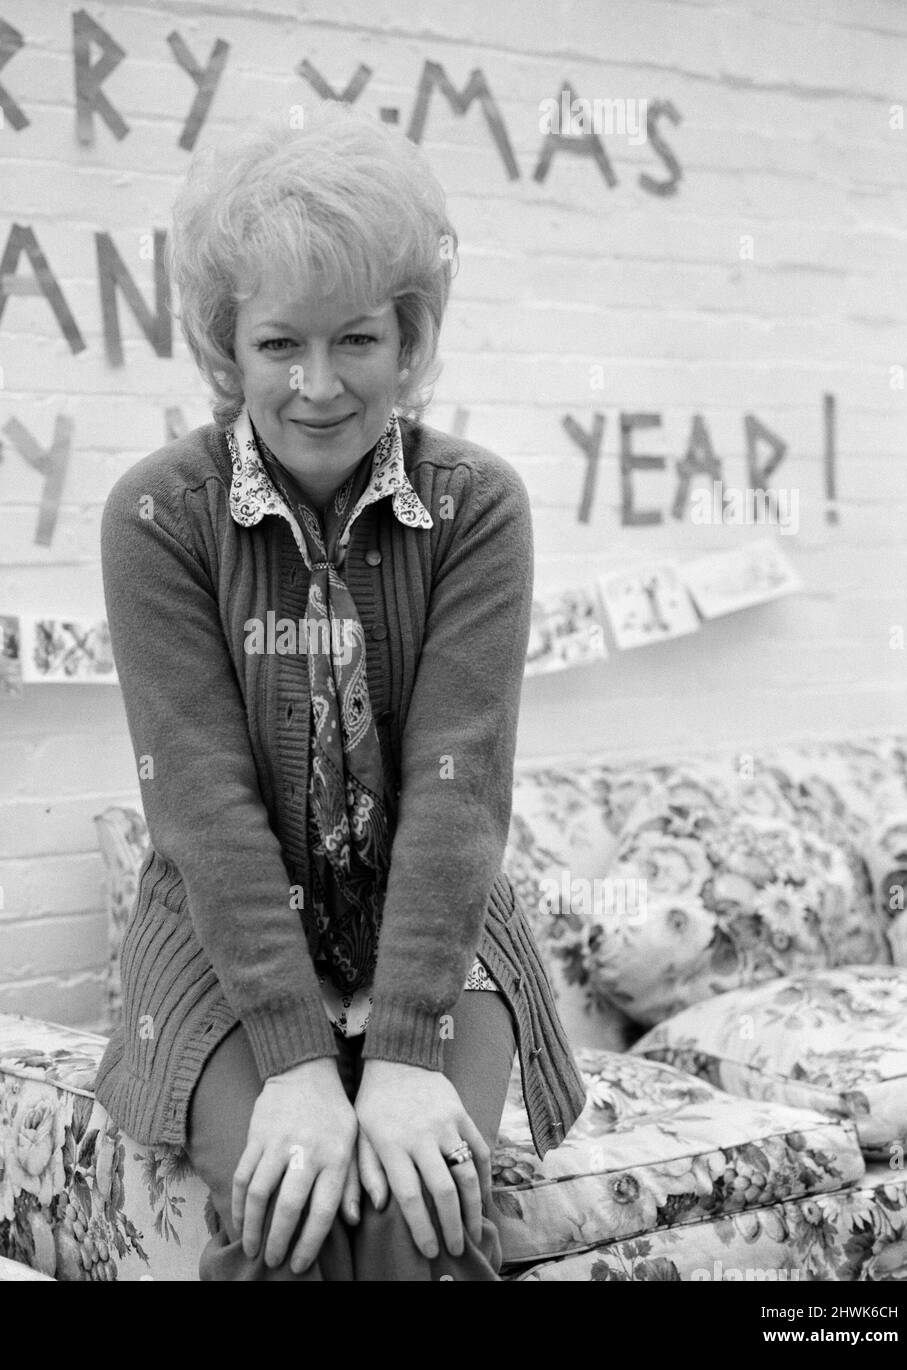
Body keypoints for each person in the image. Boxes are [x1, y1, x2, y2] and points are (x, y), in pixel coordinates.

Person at [93, 100, 586, 1281]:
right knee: (293, 1217)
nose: (318, 386)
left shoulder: (477, 505)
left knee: (414, 1219)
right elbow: (201, 804)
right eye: (279, 345)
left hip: (435, 940)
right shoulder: (160, 515)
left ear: (409, 333)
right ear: (228, 343)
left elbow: (458, 787)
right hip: (226, 948)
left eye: (356, 339)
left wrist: (409, 1048)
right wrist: (297, 1061)